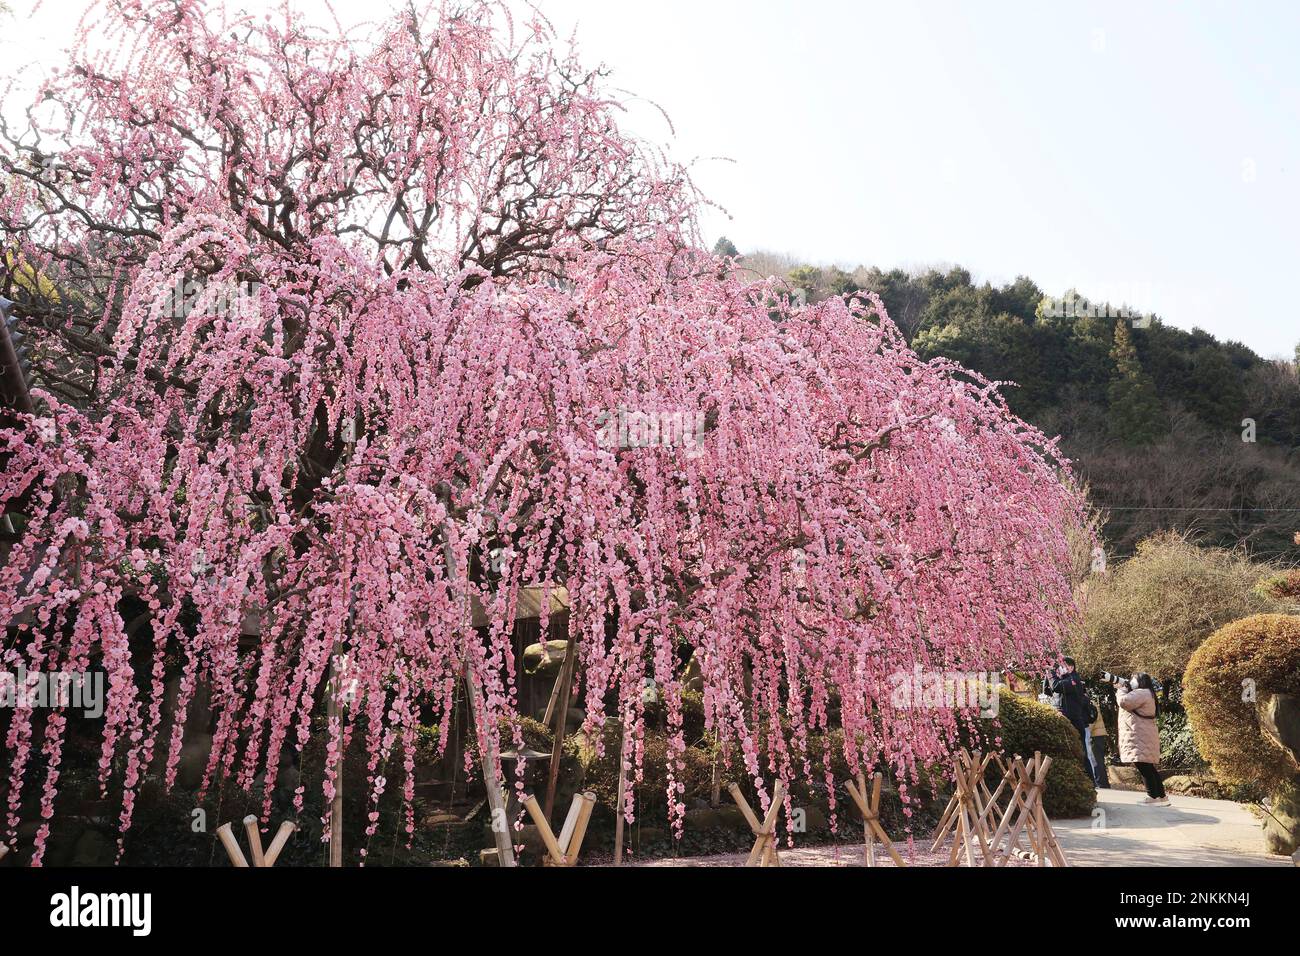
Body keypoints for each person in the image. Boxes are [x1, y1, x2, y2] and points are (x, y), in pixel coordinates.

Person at [1117, 673, 1167, 805]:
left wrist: (1121, 689)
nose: (1131, 681)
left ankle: (1152, 796)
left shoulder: (1142, 692)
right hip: (1144, 734)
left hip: (1139, 735)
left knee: (1143, 766)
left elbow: (1124, 702)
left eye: (1133, 679)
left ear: (1140, 681)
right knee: (1148, 766)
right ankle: (1161, 796)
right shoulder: (1148, 693)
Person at [1047, 657, 1091, 769]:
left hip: (1074, 722)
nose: (1060, 668)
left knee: (1080, 753)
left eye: (1063, 666)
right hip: (1066, 719)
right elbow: (1047, 690)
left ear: (1071, 667)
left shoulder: (1074, 680)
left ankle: (1090, 781)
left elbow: (1056, 686)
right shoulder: (1064, 679)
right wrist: (1049, 674)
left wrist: (1051, 673)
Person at [1086, 706, 1111, 788]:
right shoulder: (1091, 702)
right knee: (1098, 760)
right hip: (1098, 734)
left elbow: (1091, 720)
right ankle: (1103, 783)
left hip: (1095, 735)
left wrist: (1086, 732)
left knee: (1096, 761)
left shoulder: (1088, 703)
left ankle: (1101, 783)